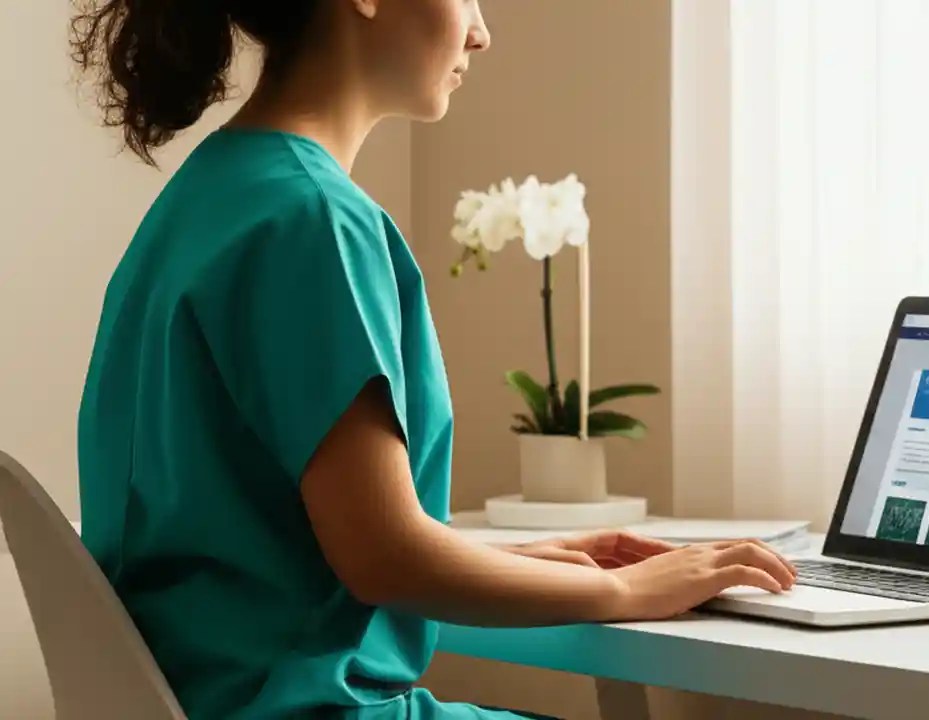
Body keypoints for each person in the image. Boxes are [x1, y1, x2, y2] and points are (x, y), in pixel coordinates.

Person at [69, 2, 796, 718]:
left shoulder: (210, 194)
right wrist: (629, 591)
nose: (481, 32)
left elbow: (279, 539)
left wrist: (522, 560)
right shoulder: (312, 219)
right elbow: (384, 557)